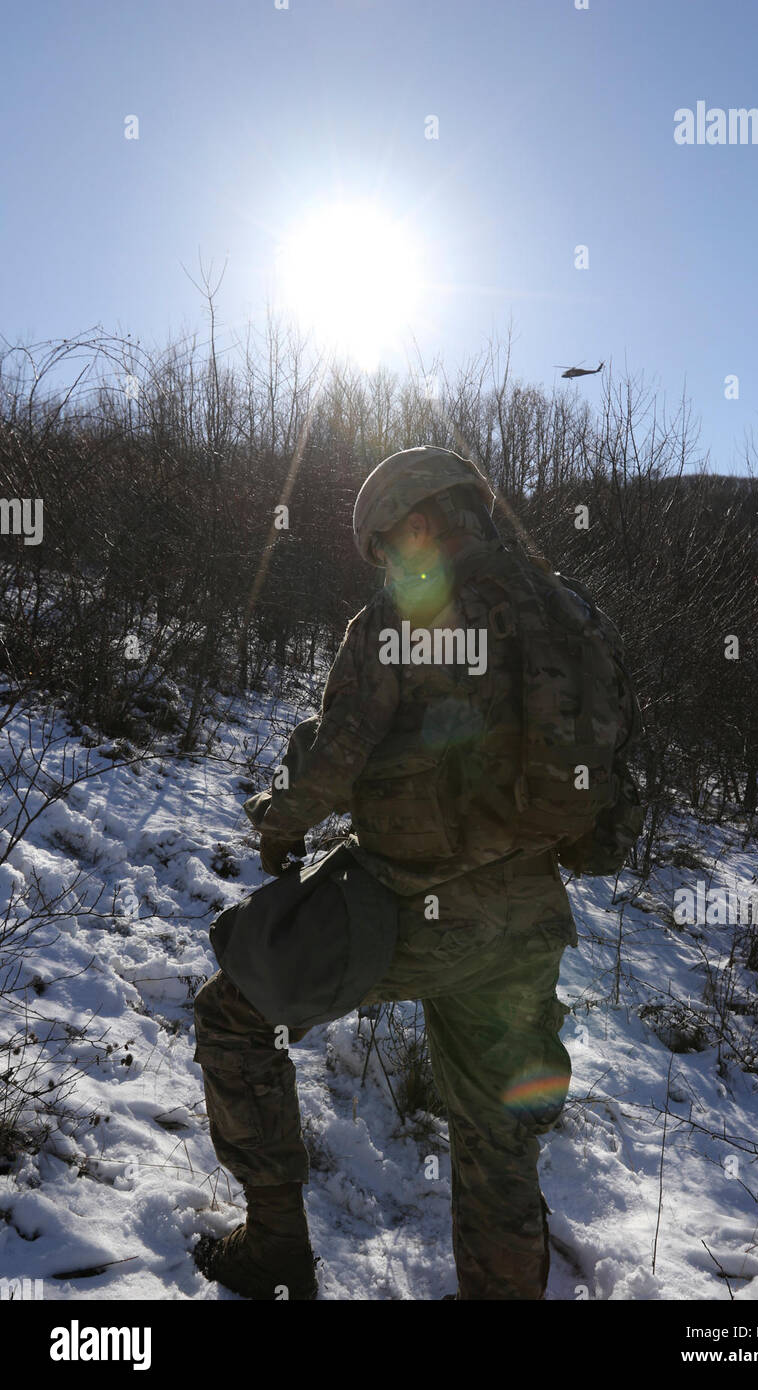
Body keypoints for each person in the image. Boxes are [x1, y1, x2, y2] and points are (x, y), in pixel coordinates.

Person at [192, 445, 581, 1300]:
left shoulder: (406, 612)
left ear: (421, 520)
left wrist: (277, 821)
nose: (388, 562)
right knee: (497, 1135)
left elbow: (335, 757)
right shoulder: (565, 609)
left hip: (413, 909)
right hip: (531, 915)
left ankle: (277, 1255)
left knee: (229, 1014)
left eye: (385, 542)